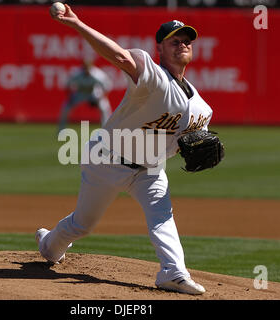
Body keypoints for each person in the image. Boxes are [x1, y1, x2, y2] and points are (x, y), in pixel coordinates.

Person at [36, 4, 214, 295]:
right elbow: (119, 56)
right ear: (160, 48)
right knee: (83, 224)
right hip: (106, 160)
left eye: (187, 41)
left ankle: (174, 273)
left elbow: (191, 143)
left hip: (151, 169)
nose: (182, 44)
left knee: (162, 216)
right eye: (175, 40)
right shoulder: (153, 77)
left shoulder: (202, 108)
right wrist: (78, 24)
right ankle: (49, 245)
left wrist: (190, 150)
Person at [58, 59, 113, 133]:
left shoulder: (98, 74)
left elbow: (107, 86)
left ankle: (106, 130)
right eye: (85, 67)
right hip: (80, 93)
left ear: (91, 67)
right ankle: (61, 130)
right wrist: (70, 97)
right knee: (65, 108)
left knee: (104, 107)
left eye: (88, 67)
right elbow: (67, 85)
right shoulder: (76, 73)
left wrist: (101, 97)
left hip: (93, 93)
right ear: (82, 67)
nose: (86, 69)